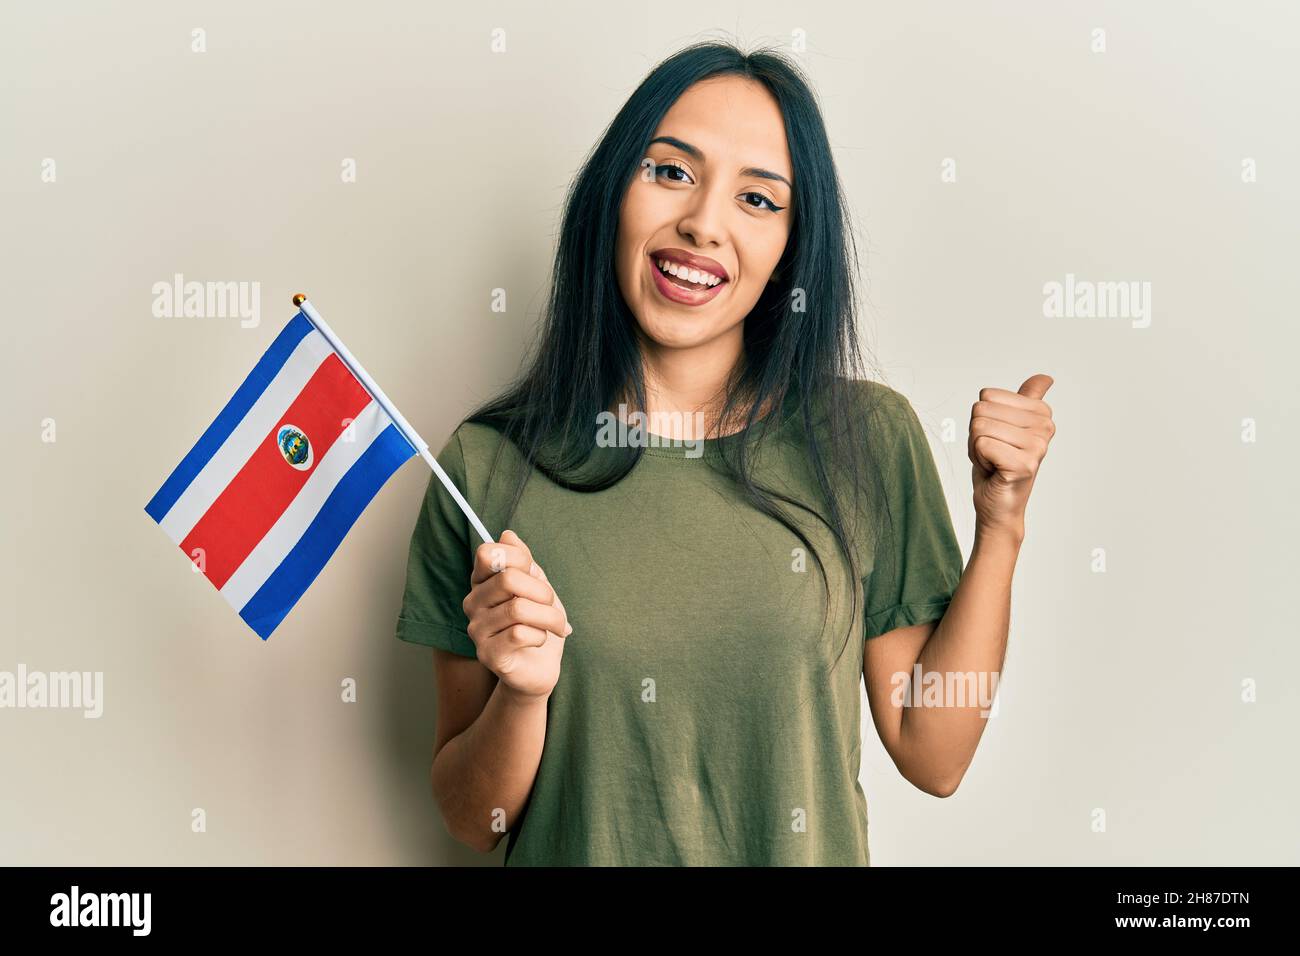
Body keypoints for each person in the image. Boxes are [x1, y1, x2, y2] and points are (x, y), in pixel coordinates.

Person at [395, 41, 1056, 866]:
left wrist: (1002, 526)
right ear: (612, 194)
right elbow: (470, 818)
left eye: (757, 198)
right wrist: (524, 697)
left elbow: (936, 754)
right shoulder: (487, 466)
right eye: (670, 172)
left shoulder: (865, 439)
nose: (704, 223)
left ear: (792, 249)